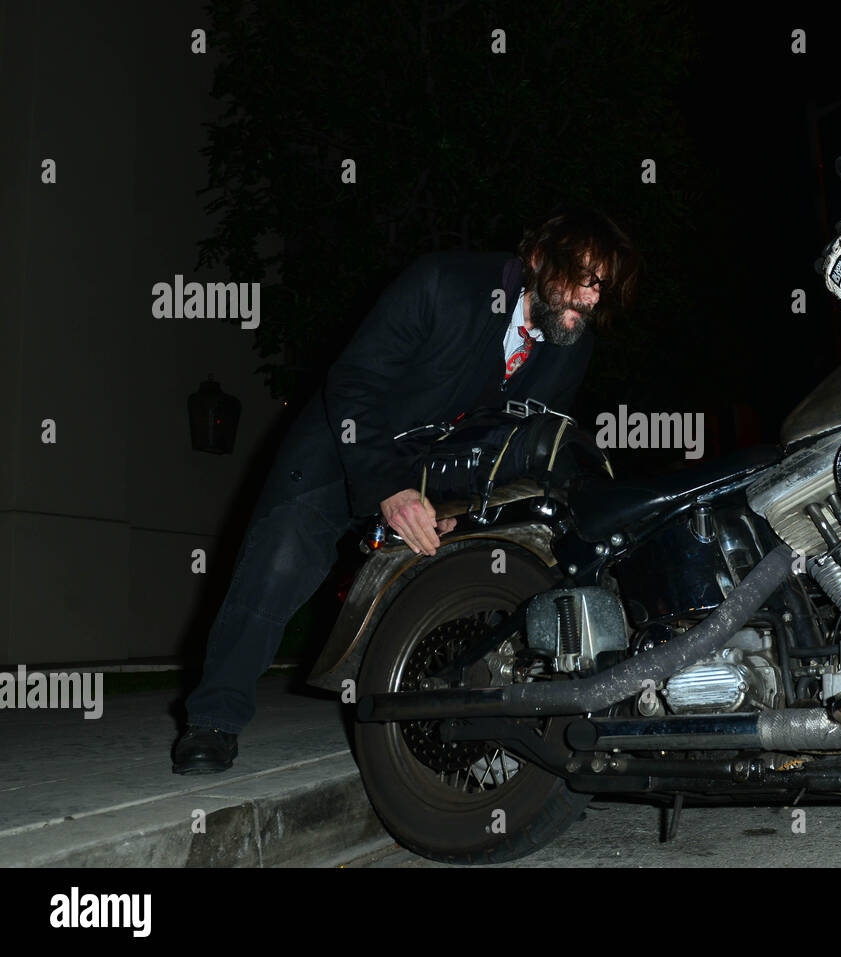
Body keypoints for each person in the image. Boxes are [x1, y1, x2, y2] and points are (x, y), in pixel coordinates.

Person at [173, 206, 639, 773]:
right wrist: (388, 486)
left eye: (602, 289)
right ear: (537, 259)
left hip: (439, 478)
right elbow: (354, 383)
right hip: (343, 451)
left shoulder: (571, 343)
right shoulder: (443, 282)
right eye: (581, 279)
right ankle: (213, 721)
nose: (589, 301)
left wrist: (460, 508)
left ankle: (447, 738)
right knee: (276, 567)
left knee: (462, 577)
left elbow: (524, 434)